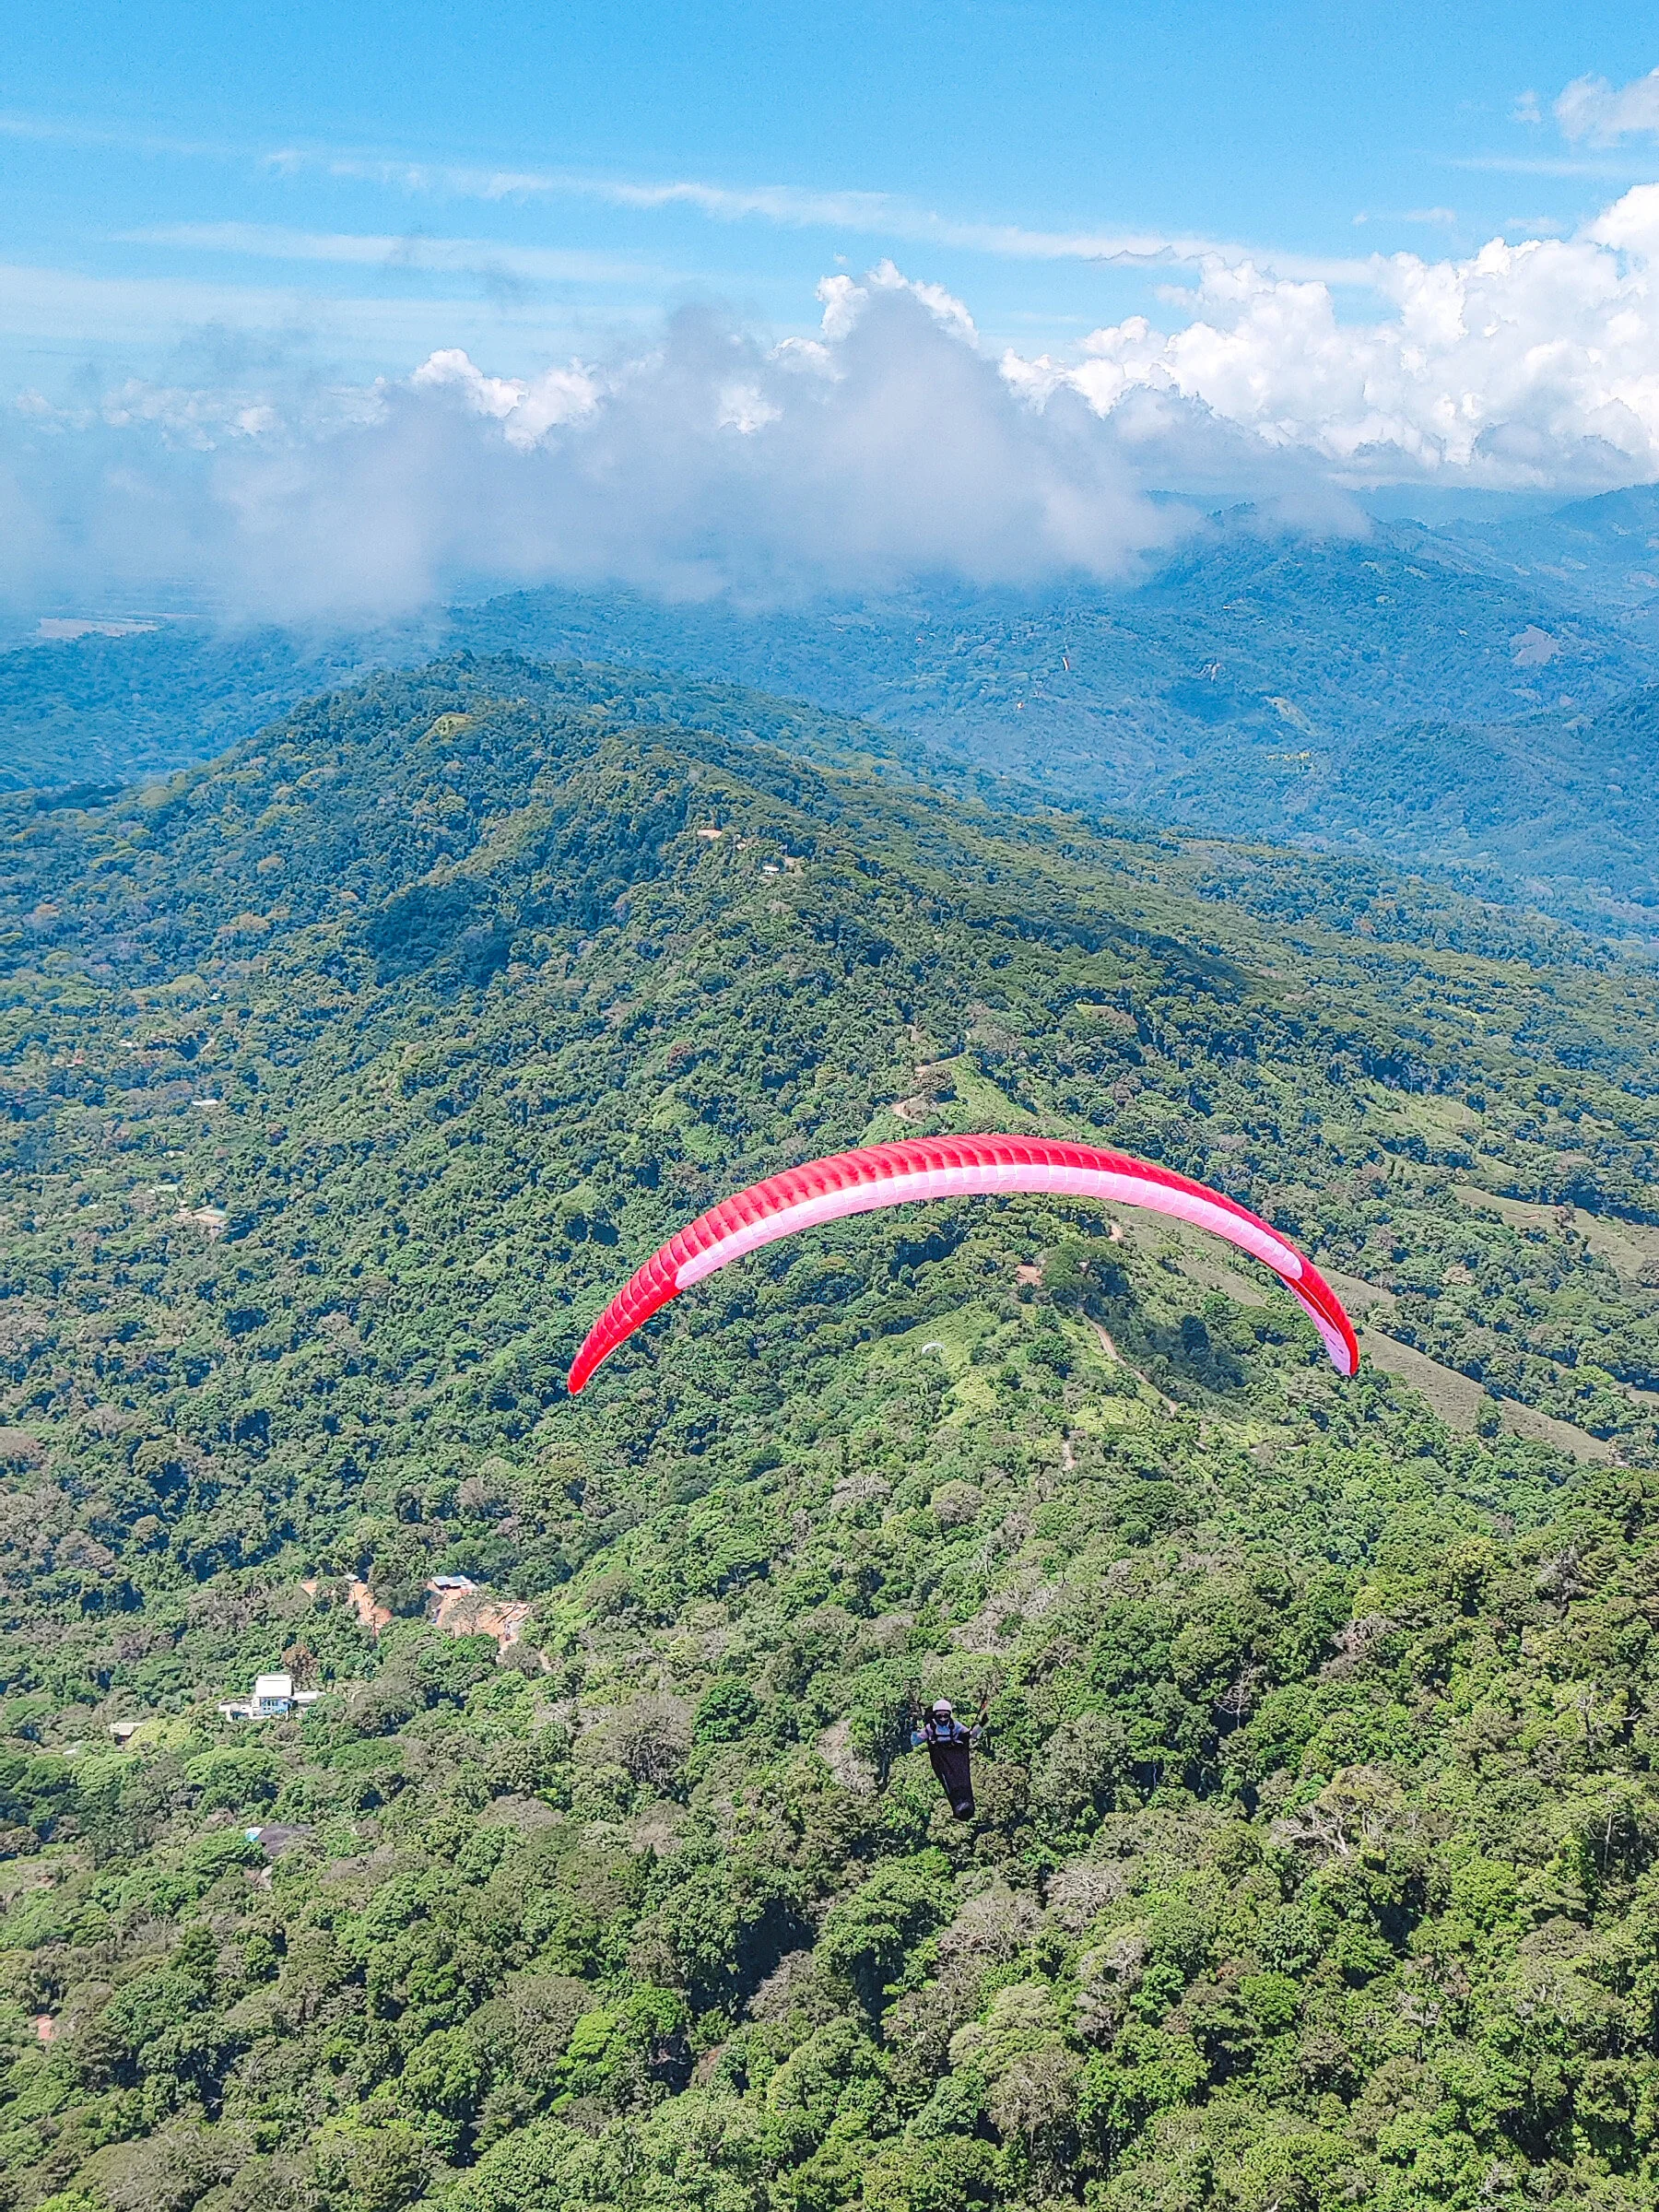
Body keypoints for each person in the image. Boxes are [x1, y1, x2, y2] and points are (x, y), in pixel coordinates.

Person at [911, 1694, 986, 1819]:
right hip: (940, 1758)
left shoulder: (954, 1725)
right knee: (949, 1782)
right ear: (935, 1715)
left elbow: (970, 1735)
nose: (943, 1718)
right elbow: (916, 1741)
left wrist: (981, 1725)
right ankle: (956, 1805)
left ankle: (967, 1803)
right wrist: (914, 1729)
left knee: (962, 1778)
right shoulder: (931, 1728)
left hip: (955, 1755)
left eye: (946, 1715)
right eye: (940, 1716)